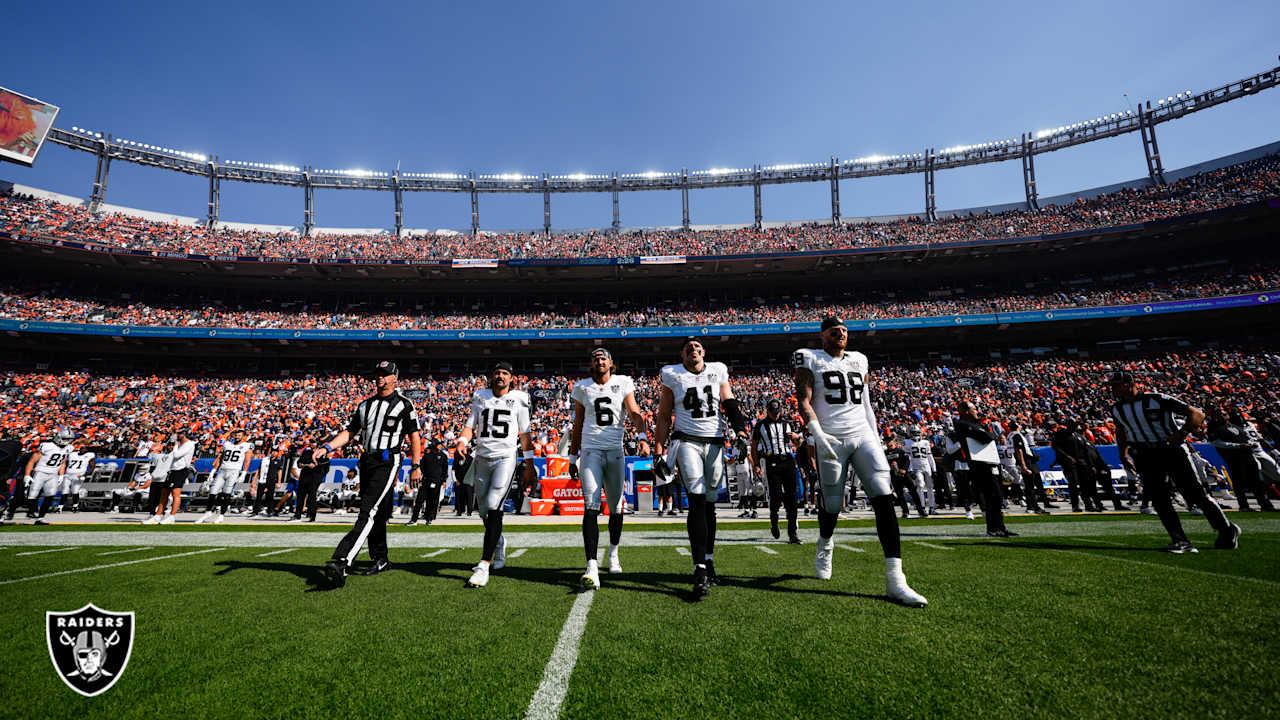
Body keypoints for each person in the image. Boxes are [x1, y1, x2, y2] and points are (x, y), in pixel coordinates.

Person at [793, 317, 926, 607]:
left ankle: (895, 578)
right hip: (830, 436)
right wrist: (816, 433)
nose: (840, 333)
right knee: (831, 504)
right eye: (833, 330)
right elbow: (803, 400)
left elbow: (865, 403)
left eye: (844, 329)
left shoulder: (860, 360)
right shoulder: (809, 357)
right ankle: (825, 542)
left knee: (883, 495)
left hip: (862, 433)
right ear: (822, 335)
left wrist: (876, 437)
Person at [653, 337, 752, 598]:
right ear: (682, 354)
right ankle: (699, 569)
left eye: (697, 347)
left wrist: (741, 430)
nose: (693, 350)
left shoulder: (717, 370)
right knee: (696, 498)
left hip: (715, 442)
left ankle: (708, 559)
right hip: (686, 440)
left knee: (709, 504)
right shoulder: (672, 375)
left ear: (704, 353)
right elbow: (664, 415)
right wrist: (658, 450)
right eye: (688, 348)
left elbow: (729, 402)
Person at [1109, 370, 1239, 553]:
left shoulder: (1157, 399)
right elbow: (1121, 431)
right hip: (1144, 453)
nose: (1113, 389)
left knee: (1195, 494)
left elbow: (1196, 414)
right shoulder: (1116, 409)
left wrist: (1182, 433)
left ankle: (1226, 529)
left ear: (1129, 383)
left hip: (1171, 449)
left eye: (1116, 385)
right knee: (1160, 499)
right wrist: (1123, 455)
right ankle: (1180, 540)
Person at [318, 361, 423, 587]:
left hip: (388, 460)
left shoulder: (404, 404)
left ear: (395, 378)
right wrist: (327, 447)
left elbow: (414, 436)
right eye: (377, 374)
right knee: (379, 512)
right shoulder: (365, 405)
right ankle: (381, 558)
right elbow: (350, 432)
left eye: (384, 374)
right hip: (367, 459)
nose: (379, 378)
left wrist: (416, 465)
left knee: (368, 509)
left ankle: (342, 560)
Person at [567, 347, 646, 589]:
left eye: (603, 358)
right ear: (591, 364)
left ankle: (613, 553)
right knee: (590, 506)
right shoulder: (581, 387)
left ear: (611, 363)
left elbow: (634, 411)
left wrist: (642, 434)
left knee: (616, 507)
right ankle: (591, 564)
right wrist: (572, 457)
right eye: (595, 358)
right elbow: (578, 423)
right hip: (590, 451)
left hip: (614, 451)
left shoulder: (623, 382)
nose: (599, 361)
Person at [457, 361, 536, 589]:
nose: (500, 376)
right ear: (492, 377)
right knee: (483, 511)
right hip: (482, 458)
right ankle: (498, 541)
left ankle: (483, 565)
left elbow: (525, 433)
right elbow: (470, 425)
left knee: (493, 505)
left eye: (505, 373)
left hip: (505, 458)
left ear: (512, 378)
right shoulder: (481, 396)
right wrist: (462, 440)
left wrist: (529, 463)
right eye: (497, 373)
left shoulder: (519, 399)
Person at [953, 401, 1016, 538]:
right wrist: (989, 434)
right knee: (990, 496)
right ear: (965, 411)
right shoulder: (962, 424)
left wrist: (988, 433)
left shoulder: (976, 424)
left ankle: (1000, 527)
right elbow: (987, 437)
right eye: (974, 409)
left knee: (998, 496)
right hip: (980, 464)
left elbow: (989, 435)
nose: (977, 411)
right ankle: (992, 528)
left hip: (990, 461)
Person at [751, 398, 802, 542]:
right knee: (776, 496)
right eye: (773, 412)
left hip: (788, 461)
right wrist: (756, 464)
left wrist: (797, 438)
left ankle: (793, 533)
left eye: (777, 412)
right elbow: (754, 446)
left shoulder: (787, 424)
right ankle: (774, 523)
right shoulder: (760, 425)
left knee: (792, 498)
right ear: (768, 410)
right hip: (772, 462)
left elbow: (798, 444)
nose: (776, 415)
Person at [1208, 406, 1275, 512]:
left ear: (1228, 416)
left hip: (1248, 455)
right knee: (1239, 482)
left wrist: (1249, 444)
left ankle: (1266, 505)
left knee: (1256, 481)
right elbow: (1217, 443)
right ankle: (1244, 505)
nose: (1222, 416)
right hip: (1233, 458)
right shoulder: (1214, 428)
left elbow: (1246, 437)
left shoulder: (1236, 426)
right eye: (1219, 414)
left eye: (1224, 414)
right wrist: (1239, 446)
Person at [198, 428, 252, 524]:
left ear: (243, 437)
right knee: (212, 492)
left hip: (234, 471)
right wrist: (213, 471)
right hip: (222, 470)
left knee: (227, 494)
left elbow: (247, 461)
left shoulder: (247, 445)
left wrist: (244, 473)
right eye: (236, 434)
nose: (237, 436)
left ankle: (221, 515)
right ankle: (208, 512)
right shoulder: (227, 444)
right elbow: (220, 457)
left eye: (239, 435)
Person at [21, 429, 74, 525]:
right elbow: (32, 461)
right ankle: (28, 511)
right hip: (40, 472)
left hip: (53, 474)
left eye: (68, 439)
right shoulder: (47, 446)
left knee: (50, 495)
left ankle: (41, 518)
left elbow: (63, 462)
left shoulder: (69, 448)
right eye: (65, 438)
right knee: (31, 495)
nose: (66, 441)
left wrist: (61, 474)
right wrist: (27, 475)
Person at [145, 429, 195, 525]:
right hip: (172, 470)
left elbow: (176, 455)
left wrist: (176, 445)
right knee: (164, 493)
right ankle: (157, 516)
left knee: (175, 494)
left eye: (179, 433)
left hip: (180, 470)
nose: (177, 435)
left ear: (184, 435)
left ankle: (172, 516)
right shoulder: (182, 445)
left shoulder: (189, 444)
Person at [1008, 419, 1050, 514]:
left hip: (1022, 461)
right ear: (1017, 426)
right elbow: (1019, 450)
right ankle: (1034, 507)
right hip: (1026, 461)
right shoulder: (1016, 435)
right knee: (1030, 486)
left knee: (1029, 485)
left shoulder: (1010, 435)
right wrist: (1023, 465)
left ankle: (1031, 506)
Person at [290, 432, 331, 523]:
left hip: (315, 476)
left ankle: (312, 516)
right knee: (300, 496)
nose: (312, 444)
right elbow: (299, 462)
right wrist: (300, 464)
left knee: (312, 496)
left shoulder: (322, 453)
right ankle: (298, 515)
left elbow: (326, 464)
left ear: (318, 444)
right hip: (304, 475)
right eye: (311, 442)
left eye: (314, 442)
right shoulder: (306, 452)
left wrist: (317, 465)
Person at [408, 439, 449, 526]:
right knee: (419, 501)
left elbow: (445, 470)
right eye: (438, 444)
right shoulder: (426, 456)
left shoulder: (443, 456)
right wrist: (420, 481)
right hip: (426, 481)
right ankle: (414, 520)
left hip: (437, 481)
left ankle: (429, 519)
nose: (440, 446)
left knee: (433, 501)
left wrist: (444, 480)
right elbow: (422, 469)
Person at [903, 425, 936, 516]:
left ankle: (931, 507)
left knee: (930, 487)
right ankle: (922, 507)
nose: (916, 434)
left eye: (917, 432)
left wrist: (934, 468)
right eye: (914, 433)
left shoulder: (925, 442)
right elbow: (907, 458)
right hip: (916, 467)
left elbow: (930, 456)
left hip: (926, 466)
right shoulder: (907, 442)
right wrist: (909, 469)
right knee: (920, 486)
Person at [251, 441, 290, 517]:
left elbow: (279, 471)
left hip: (271, 480)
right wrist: (254, 480)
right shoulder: (264, 459)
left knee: (270, 496)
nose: (274, 453)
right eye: (273, 451)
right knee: (259, 496)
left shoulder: (278, 461)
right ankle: (255, 511)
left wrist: (279, 481)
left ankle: (269, 511)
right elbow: (258, 470)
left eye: (275, 452)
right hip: (262, 479)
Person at [59, 437, 96, 514]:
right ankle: (60, 507)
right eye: (82, 447)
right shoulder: (72, 454)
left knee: (75, 491)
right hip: (68, 474)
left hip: (78, 475)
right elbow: (64, 463)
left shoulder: (90, 455)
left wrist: (85, 474)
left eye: (84, 448)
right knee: (64, 491)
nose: (83, 449)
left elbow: (92, 467)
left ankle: (75, 506)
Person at [452, 446, 474, 516]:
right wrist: (455, 480)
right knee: (458, 496)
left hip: (468, 480)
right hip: (459, 480)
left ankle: (469, 511)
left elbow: (473, 470)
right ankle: (459, 510)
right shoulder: (456, 459)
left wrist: (471, 480)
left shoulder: (470, 459)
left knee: (469, 496)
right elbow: (453, 470)